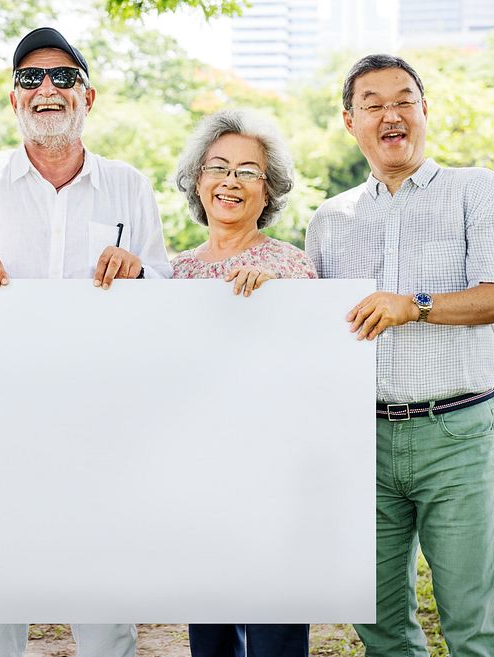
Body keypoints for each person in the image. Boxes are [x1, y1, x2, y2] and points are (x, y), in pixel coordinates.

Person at [0, 26, 171, 657]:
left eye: (63, 78)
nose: (47, 89)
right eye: (30, 79)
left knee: (103, 598)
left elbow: (166, 291)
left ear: (87, 98)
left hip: (102, 416)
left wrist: (139, 271)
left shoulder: (130, 185)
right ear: (13, 99)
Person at [306, 54, 494, 657]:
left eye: (404, 100)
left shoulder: (477, 190)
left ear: (425, 110)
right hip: (363, 444)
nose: (391, 114)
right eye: (373, 104)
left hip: (457, 435)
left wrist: (415, 305)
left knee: (474, 627)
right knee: (379, 627)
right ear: (349, 120)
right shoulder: (330, 220)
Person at [173, 109, 312, 657]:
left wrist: (277, 301)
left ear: (269, 189)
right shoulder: (173, 272)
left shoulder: (292, 267)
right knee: (210, 639)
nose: (231, 181)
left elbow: (309, 375)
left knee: (275, 633)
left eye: (248, 172)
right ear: (198, 181)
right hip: (198, 480)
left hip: (273, 480)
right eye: (218, 168)